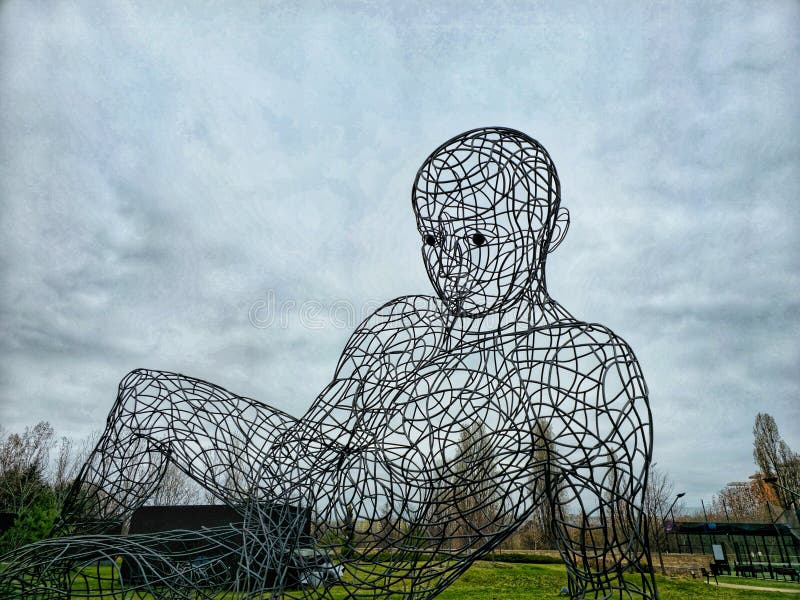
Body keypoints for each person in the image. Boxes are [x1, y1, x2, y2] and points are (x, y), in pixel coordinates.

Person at [2, 127, 656, 600]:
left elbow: (610, 577)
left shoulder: (587, 361)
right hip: (304, 486)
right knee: (147, 395)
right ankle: (57, 572)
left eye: (481, 238)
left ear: (550, 230)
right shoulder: (401, 321)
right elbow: (313, 446)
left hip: (384, 549)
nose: (450, 259)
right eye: (434, 237)